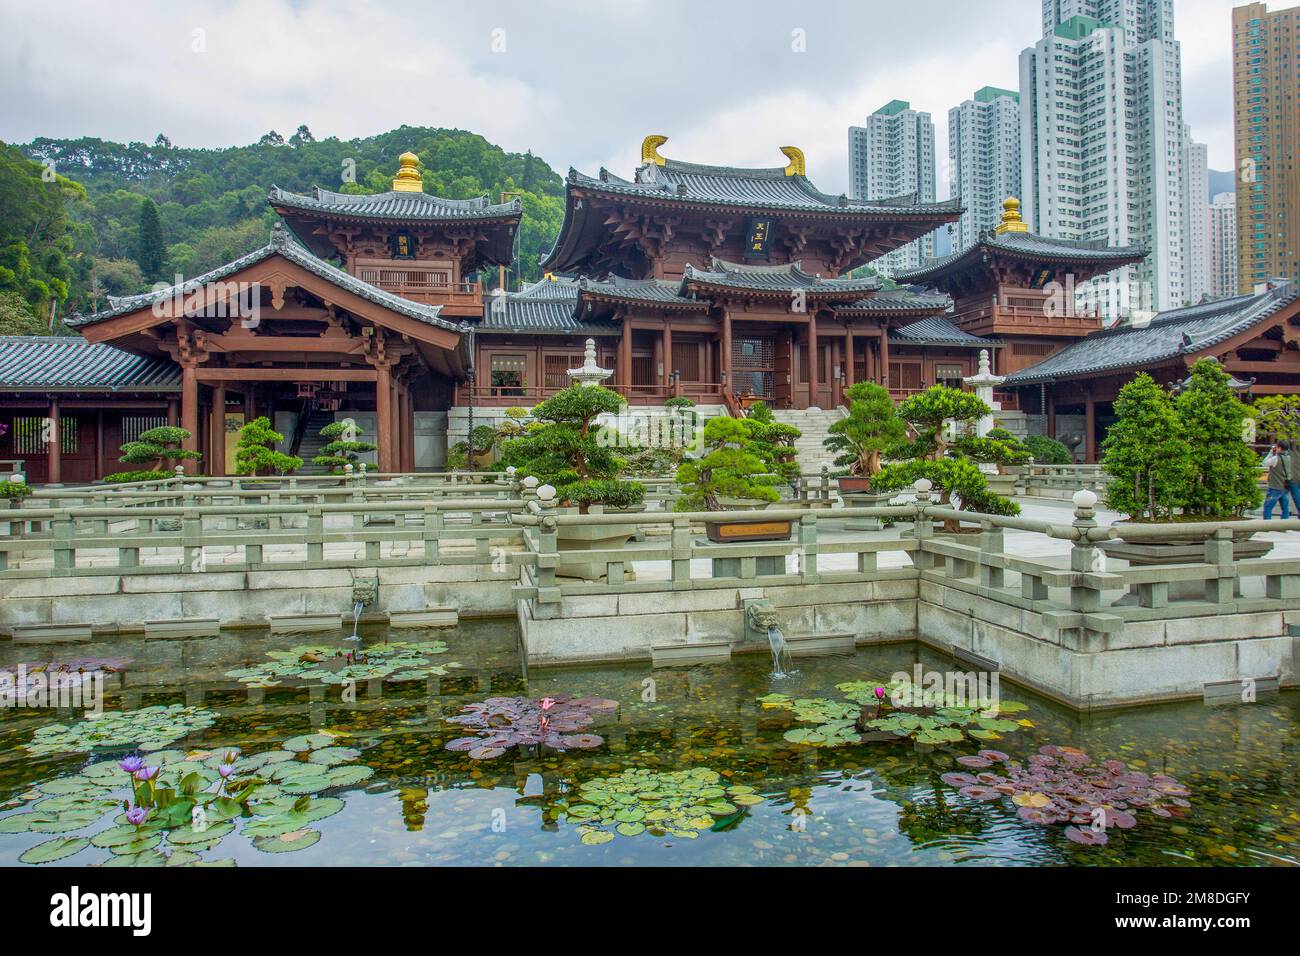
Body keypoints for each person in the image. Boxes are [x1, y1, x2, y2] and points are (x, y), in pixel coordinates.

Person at [1264, 442, 1291, 519]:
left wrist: (1270, 453)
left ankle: (1267, 525)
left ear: (1279, 448)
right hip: (1285, 486)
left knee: (1268, 507)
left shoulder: (1275, 458)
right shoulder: (1289, 458)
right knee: (1285, 508)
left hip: (1275, 486)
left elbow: (1264, 463)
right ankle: (1285, 524)